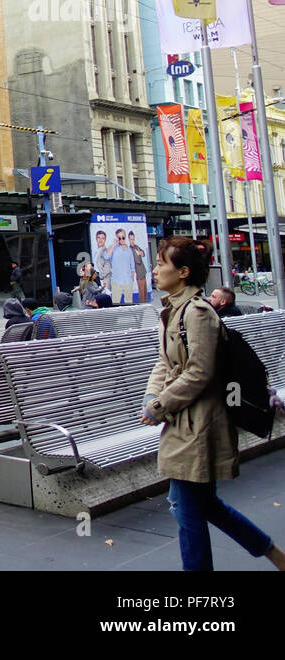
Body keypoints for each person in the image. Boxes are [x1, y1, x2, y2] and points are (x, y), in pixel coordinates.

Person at [142, 236, 285, 572]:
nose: (156, 269)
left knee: (187, 510)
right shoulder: (175, 310)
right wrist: (151, 396)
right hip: (183, 422)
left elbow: (200, 373)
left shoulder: (198, 313)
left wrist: (160, 405)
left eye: (162, 263)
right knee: (203, 506)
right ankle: (274, 554)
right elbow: (165, 362)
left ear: (183, 272)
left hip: (198, 425)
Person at [129, 231, 148, 303]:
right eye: (131, 239)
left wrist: (141, 253)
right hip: (138, 272)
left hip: (142, 270)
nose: (132, 241)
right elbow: (136, 260)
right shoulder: (129, 249)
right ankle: (142, 303)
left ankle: (145, 302)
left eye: (133, 239)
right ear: (129, 239)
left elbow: (143, 253)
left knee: (144, 289)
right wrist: (139, 254)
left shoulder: (136, 246)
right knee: (141, 290)